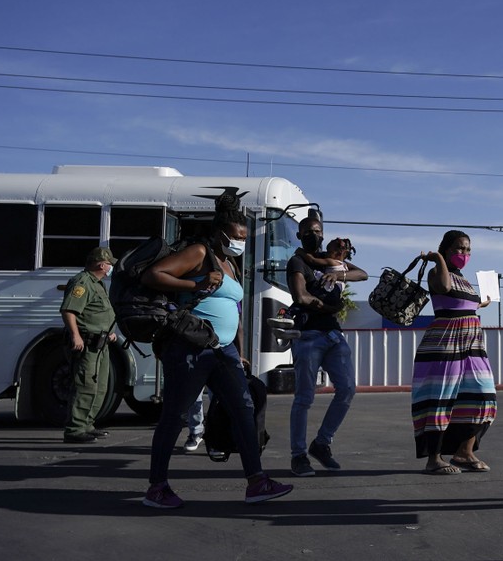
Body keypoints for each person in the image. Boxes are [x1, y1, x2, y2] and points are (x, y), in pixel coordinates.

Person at [140, 191, 292, 508]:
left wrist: (239, 348)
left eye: (245, 238)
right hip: (191, 347)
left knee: (244, 409)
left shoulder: (230, 263)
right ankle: (156, 488)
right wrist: (195, 284)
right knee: (175, 416)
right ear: (221, 233)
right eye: (237, 237)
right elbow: (153, 274)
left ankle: (257, 482)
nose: (241, 243)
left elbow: (231, 308)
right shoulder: (199, 252)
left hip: (223, 351)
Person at [411, 230, 497, 474]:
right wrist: (437, 258)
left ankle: (464, 453)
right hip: (445, 343)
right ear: (447, 249)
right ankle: (434, 459)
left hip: (471, 346)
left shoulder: (464, 278)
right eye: (460, 248)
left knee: (483, 396)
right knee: (440, 399)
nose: (465, 253)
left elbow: (463, 301)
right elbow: (444, 287)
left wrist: (482, 302)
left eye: (468, 249)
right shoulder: (437, 272)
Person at [287, 217, 367, 476]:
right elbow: (300, 296)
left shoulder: (330, 260)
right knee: (304, 398)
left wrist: (339, 273)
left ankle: (321, 443)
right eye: (308, 232)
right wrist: (328, 307)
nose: (315, 235)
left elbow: (362, 274)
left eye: (318, 231)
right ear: (299, 236)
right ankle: (298, 456)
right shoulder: (297, 261)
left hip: (333, 335)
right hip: (308, 335)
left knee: (347, 389)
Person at [60, 247, 119, 444]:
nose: (111, 267)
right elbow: (69, 310)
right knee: (85, 385)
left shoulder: (98, 284)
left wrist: (108, 332)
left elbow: (97, 313)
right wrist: (75, 336)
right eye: (109, 264)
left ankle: (87, 424)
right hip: (86, 343)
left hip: (100, 344)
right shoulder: (82, 282)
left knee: (99, 386)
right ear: (101, 264)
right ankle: (75, 430)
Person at [268, 237, 357, 340]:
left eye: (329, 251)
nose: (325, 254)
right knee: (307, 310)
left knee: (305, 299)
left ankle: (287, 314)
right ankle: (295, 329)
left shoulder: (333, 262)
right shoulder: (344, 266)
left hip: (329, 291)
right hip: (333, 293)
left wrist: (300, 252)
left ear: (338, 253)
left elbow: (312, 260)